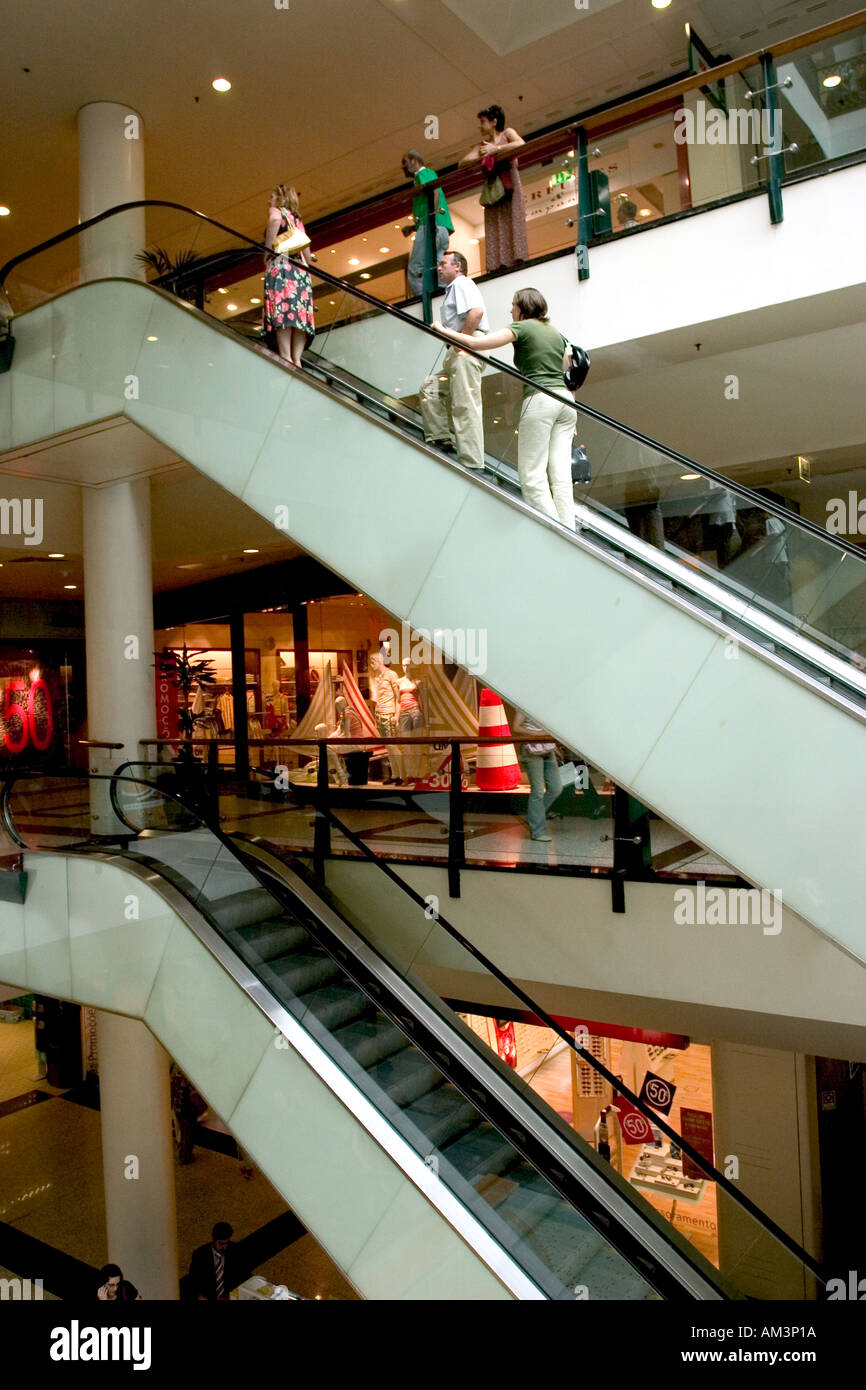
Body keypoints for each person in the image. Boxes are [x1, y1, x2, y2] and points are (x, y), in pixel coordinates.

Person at [440, 287, 576, 529]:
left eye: (513, 305)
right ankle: (570, 531)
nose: (510, 309)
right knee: (560, 474)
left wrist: (442, 330)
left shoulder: (522, 327)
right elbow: (569, 370)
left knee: (533, 476)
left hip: (540, 399)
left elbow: (476, 342)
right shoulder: (557, 333)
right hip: (566, 403)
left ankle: (559, 535)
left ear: (523, 308)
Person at [422, 251, 489, 471]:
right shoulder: (453, 289)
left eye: (443, 264)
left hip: (466, 346)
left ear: (457, 266)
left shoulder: (462, 283)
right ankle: (440, 437)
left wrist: (463, 341)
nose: (439, 268)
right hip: (458, 349)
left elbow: (476, 312)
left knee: (464, 404)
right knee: (429, 388)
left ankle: (472, 464)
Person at [460, 105, 528, 273]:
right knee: (494, 221)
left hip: (509, 183)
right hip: (492, 187)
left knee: (513, 217)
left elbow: (520, 143)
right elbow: (462, 163)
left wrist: (496, 149)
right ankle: (498, 264)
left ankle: (517, 259)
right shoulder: (483, 145)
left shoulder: (507, 133)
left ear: (494, 121)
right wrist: (483, 154)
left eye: (483, 121)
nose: (480, 126)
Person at [263, 183, 315, 368]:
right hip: (300, 270)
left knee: (283, 311)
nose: (269, 200)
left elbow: (275, 220)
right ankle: (297, 359)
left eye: (272, 196)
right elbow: (307, 252)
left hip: (283, 267)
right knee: (299, 315)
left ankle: (286, 357)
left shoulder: (276, 211)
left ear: (279, 197)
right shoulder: (297, 220)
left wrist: (267, 250)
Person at [401, 150, 453, 297]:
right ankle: (442, 296)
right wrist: (413, 228)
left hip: (432, 226)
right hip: (440, 227)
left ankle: (422, 300)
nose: (403, 168)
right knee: (437, 266)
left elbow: (434, 192)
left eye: (405, 163)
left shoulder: (423, 174)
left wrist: (431, 219)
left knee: (415, 268)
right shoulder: (424, 175)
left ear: (413, 160)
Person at [513, 709, 562, 843]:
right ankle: (537, 832)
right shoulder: (524, 702)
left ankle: (532, 816)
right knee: (538, 791)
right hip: (531, 747)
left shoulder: (543, 703)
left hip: (547, 746)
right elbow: (516, 726)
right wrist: (537, 733)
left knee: (556, 788)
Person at [187, 1221, 247, 1301]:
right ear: (213, 1239)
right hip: (209, 1297)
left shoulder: (235, 1250)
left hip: (231, 1297)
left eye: (227, 1243)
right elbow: (193, 1282)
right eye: (221, 1244)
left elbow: (245, 1275)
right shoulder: (200, 1255)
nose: (224, 1247)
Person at [368, 651, 402, 782]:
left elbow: (398, 698)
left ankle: (401, 775)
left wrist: (396, 715)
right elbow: (376, 698)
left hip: (389, 713)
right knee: (388, 746)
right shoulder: (376, 677)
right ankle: (394, 774)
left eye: (372, 662)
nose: (371, 665)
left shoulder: (391, 675)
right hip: (379, 713)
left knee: (393, 745)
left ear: (379, 661)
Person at [332, 692, 369, 786]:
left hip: (355, 743)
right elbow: (339, 732)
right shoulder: (344, 714)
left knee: (328, 749)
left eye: (337, 706)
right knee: (327, 748)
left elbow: (346, 733)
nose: (337, 709)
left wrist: (335, 740)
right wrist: (328, 739)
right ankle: (338, 775)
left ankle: (340, 774)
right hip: (352, 741)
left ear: (342, 705)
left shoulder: (347, 714)